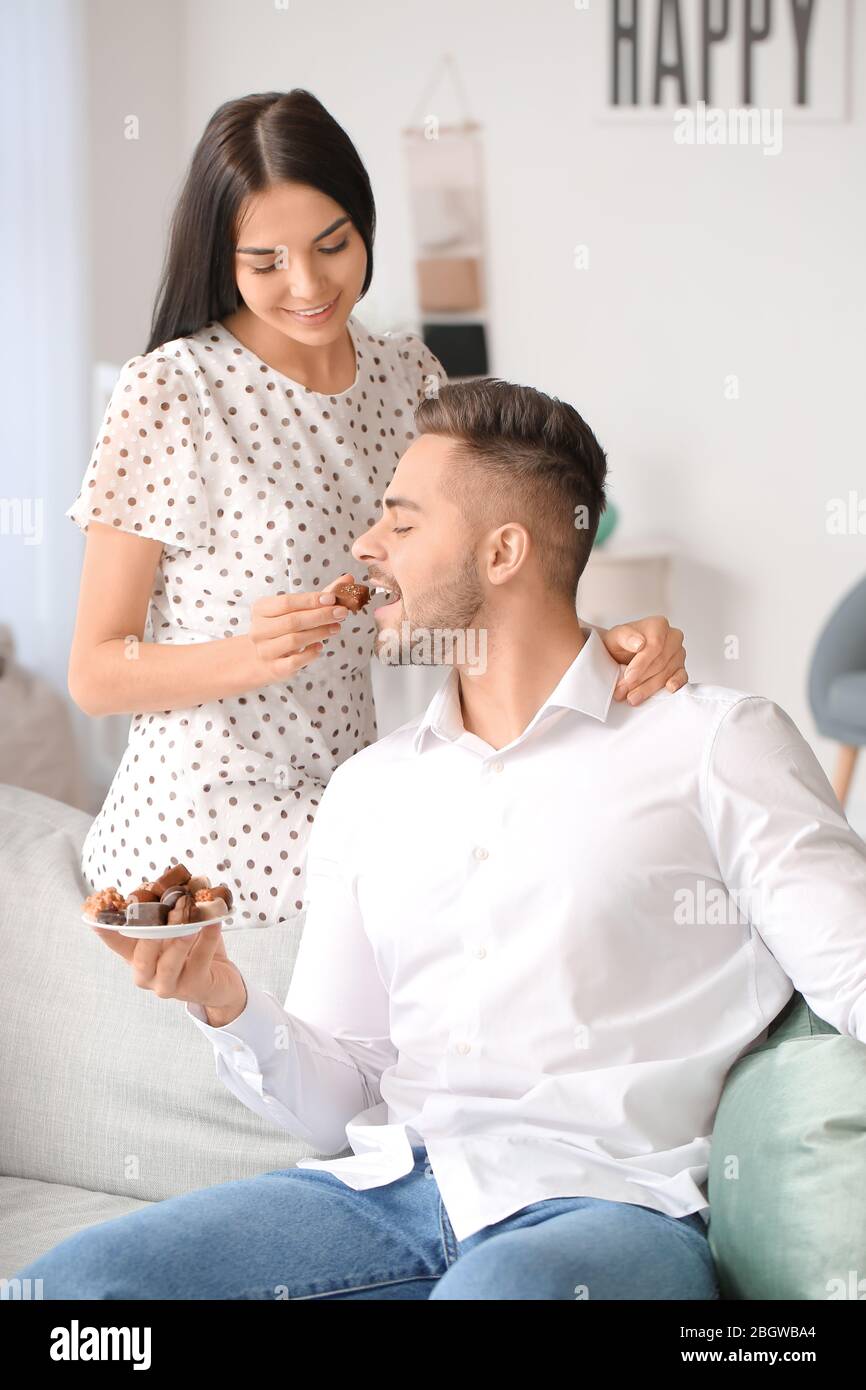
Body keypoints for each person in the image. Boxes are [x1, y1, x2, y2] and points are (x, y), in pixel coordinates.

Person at [20, 379, 866, 1300]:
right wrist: (223, 997)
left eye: (401, 522)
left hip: (607, 1209)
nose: (365, 547)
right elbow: (339, 1101)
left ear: (503, 551)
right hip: (385, 1194)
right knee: (77, 1293)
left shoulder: (711, 742)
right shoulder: (371, 790)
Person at [66, 88, 688, 927]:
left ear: (364, 224)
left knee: (586, 850)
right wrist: (253, 655)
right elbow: (97, 673)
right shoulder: (173, 390)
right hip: (205, 818)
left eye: (333, 245)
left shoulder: (407, 377)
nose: (311, 284)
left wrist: (592, 650)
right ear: (223, 257)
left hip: (358, 783)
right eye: (267, 262)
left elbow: (445, 603)